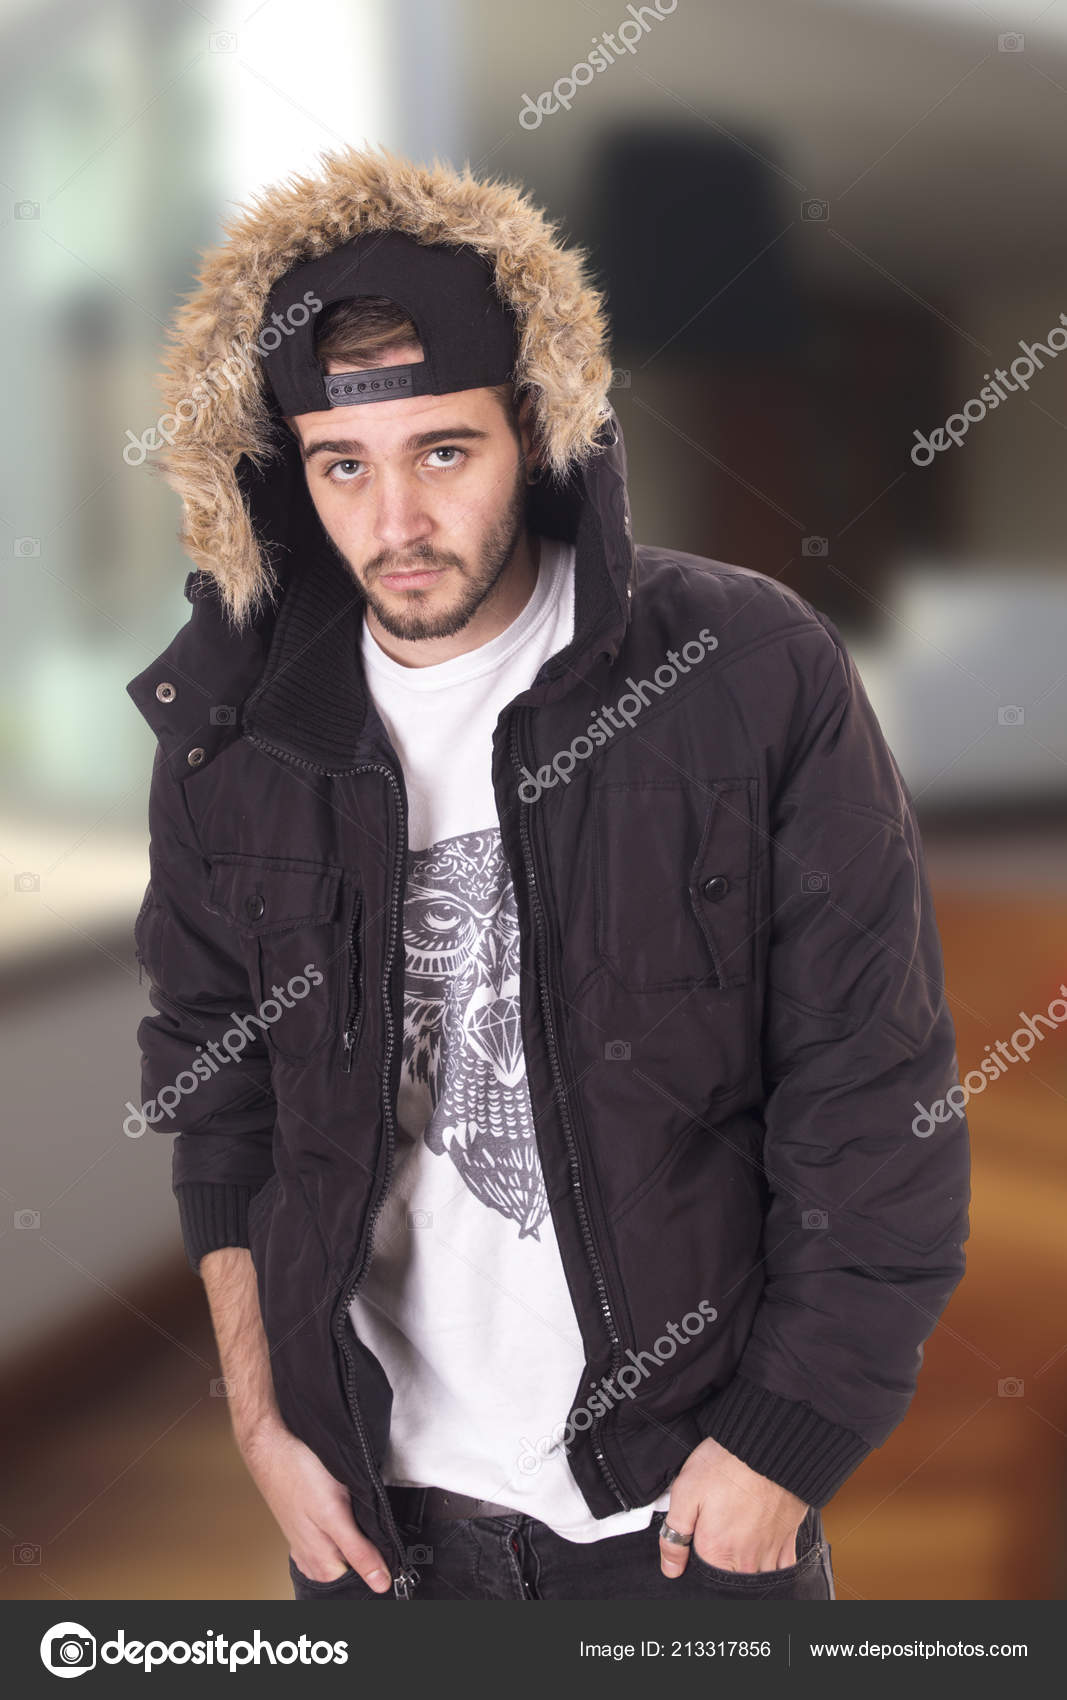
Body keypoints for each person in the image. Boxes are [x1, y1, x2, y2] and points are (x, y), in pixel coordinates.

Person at [127, 144, 971, 1603]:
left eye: (442, 452)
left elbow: (872, 1087)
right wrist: (265, 1423)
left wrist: (790, 1440)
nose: (395, 524)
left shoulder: (745, 667)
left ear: (538, 428)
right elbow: (220, 1098)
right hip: (377, 1531)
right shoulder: (237, 738)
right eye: (344, 464)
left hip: (684, 1519)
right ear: (286, 471)